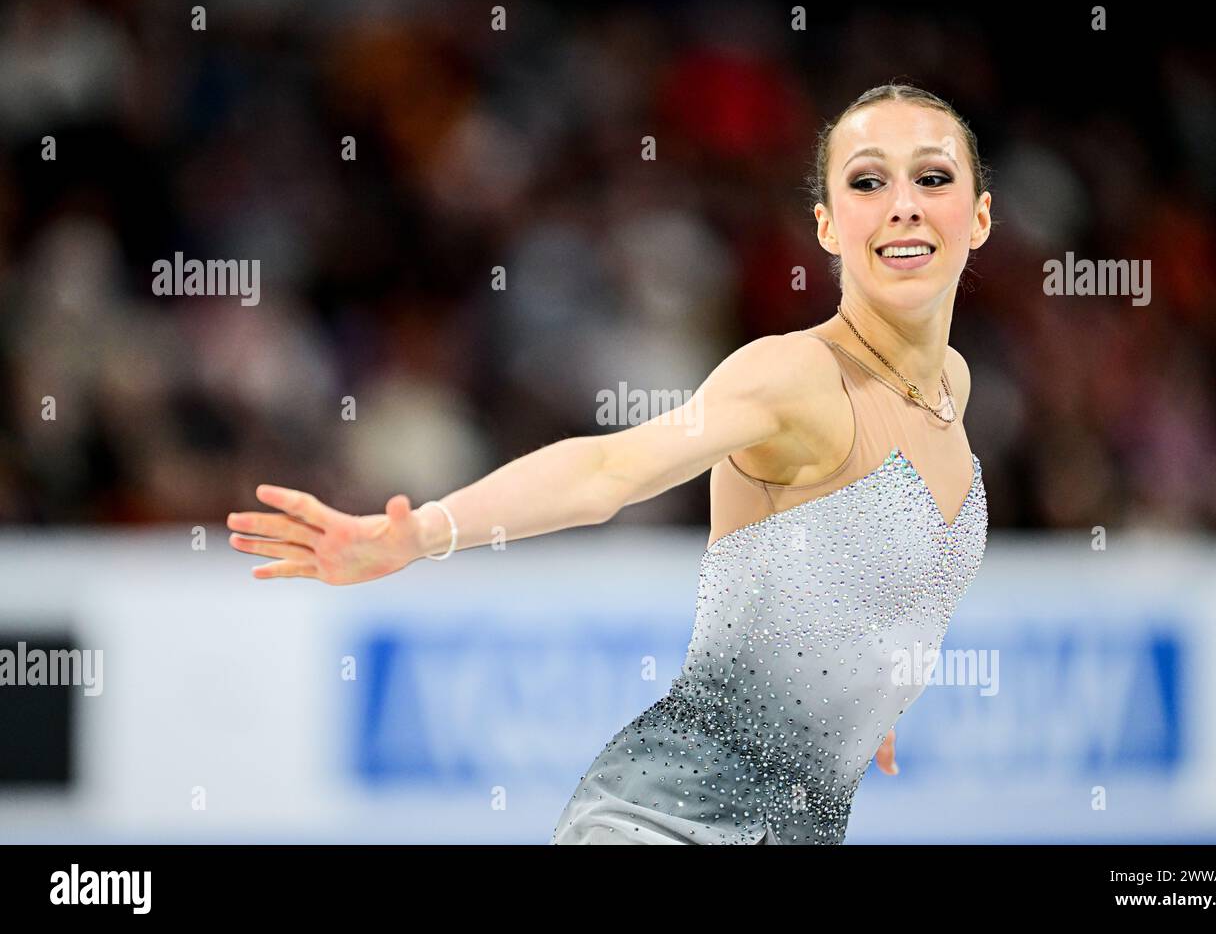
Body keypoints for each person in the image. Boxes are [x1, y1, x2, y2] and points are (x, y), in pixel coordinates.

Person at [226, 83, 993, 844]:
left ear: (980, 215)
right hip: (665, 820)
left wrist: (862, 702)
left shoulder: (949, 388)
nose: (903, 204)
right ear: (827, 227)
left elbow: (885, 588)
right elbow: (608, 470)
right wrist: (423, 531)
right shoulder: (795, 376)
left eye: (932, 176)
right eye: (867, 180)